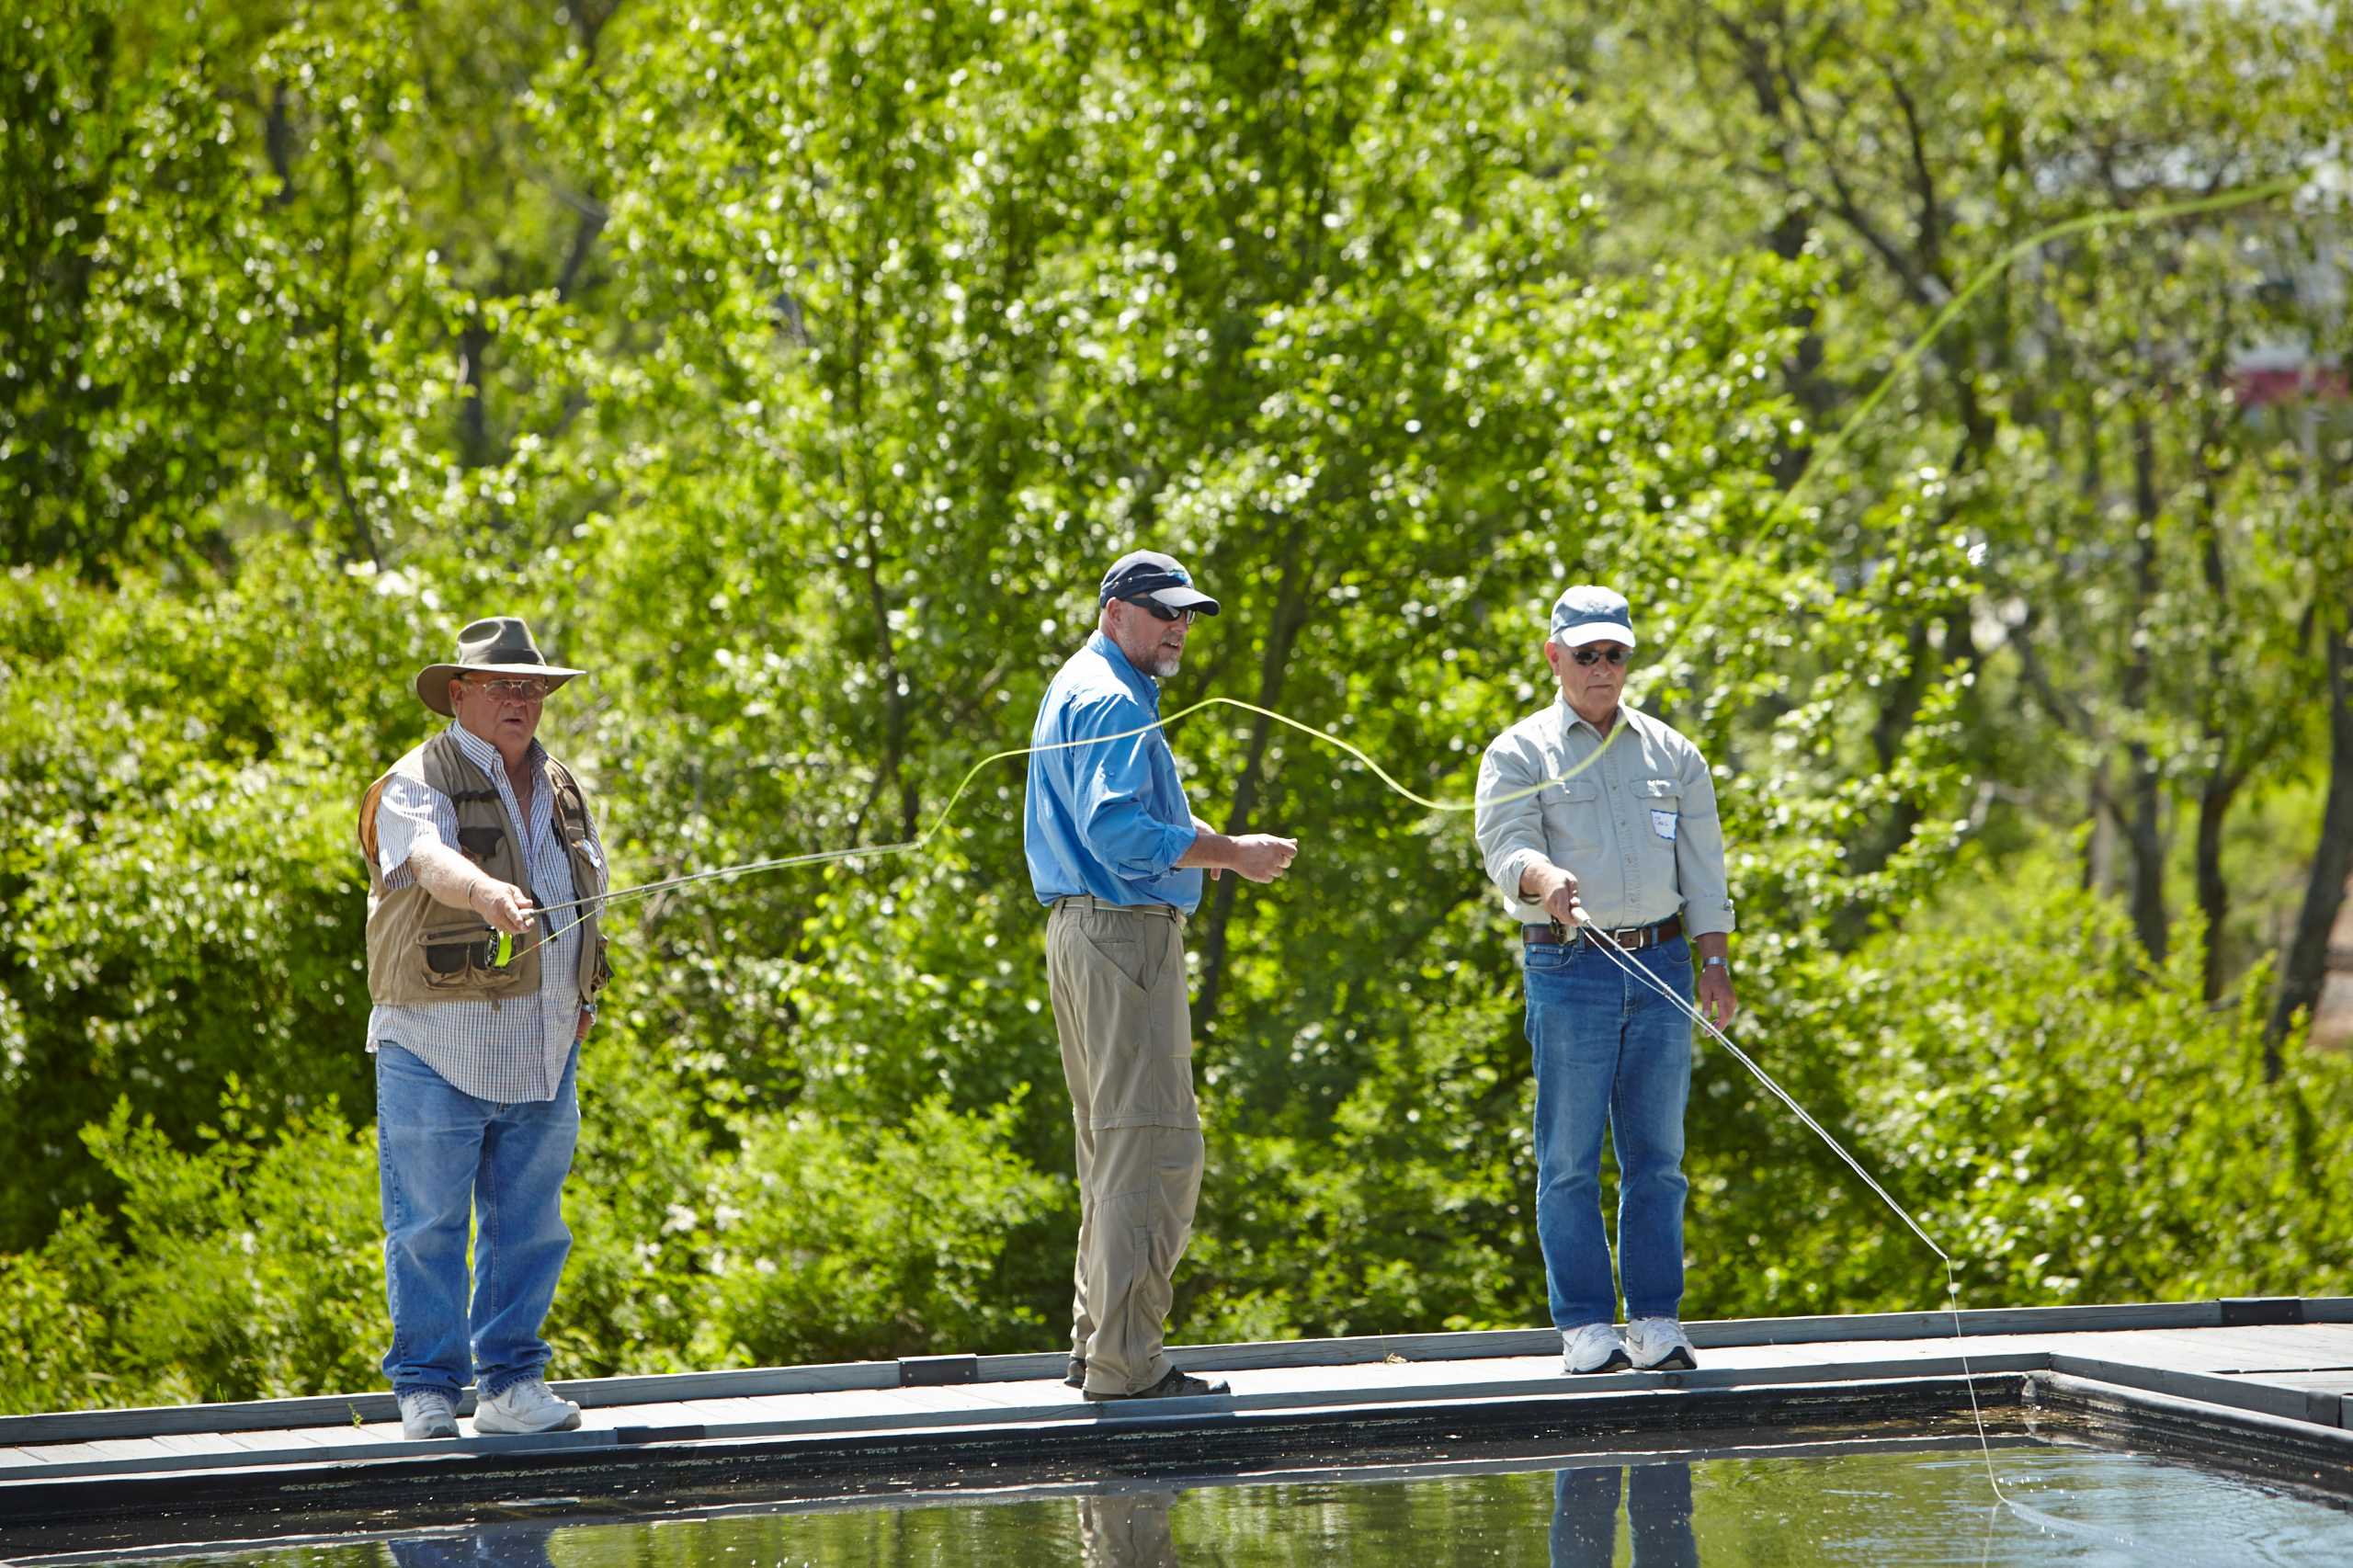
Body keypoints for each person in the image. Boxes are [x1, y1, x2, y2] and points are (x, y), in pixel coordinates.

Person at [1024, 549, 1300, 1402]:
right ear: (1114, 612)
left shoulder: (1082, 683)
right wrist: (1234, 855)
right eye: (1162, 611)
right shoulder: (1111, 696)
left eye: (1187, 614)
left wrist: (1204, 849)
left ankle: (1098, 1350)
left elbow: (1129, 823)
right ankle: (1128, 1366)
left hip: (1083, 936)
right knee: (1154, 1150)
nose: (1179, 626)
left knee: (1113, 1149)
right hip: (1121, 940)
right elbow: (1118, 835)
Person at [357, 616, 611, 1439]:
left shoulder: (564, 784)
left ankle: (511, 1387)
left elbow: (587, 906)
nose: (522, 701)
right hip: (434, 1046)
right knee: (428, 1225)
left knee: (531, 1226)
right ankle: (427, 1392)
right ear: (458, 694)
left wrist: (584, 1005)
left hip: (545, 1051)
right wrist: (486, 895)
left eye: (534, 688)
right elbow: (426, 859)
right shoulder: (413, 779)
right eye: (504, 687)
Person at [1473, 585, 1736, 1376]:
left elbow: (1705, 870)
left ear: (1628, 659)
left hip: (1661, 962)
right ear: (1554, 657)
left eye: (1613, 654)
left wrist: (1714, 962)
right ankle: (1585, 1327)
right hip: (1568, 964)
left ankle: (1657, 1322)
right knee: (1569, 1158)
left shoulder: (1673, 754)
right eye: (1585, 654)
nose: (1601, 668)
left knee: (1658, 1157)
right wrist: (1544, 879)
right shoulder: (1517, 752)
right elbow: (1504, 848)